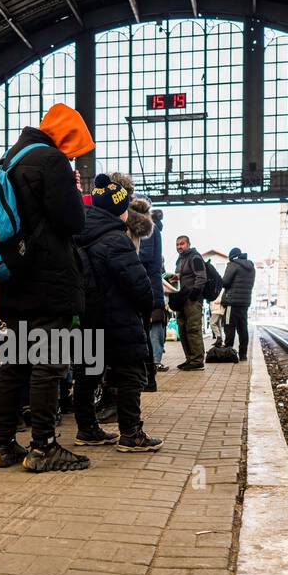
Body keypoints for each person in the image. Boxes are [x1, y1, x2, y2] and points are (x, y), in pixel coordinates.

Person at [0, 103, 94, 473]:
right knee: (49, 363)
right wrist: (76, 192)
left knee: (15, 363)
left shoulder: (10, 159)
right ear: (67, 135)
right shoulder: (52, 161)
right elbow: (72, 222)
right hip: (49, 281)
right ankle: (43, 447)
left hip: (15, 280)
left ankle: (3, 446)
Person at [72, 179, 162, 452]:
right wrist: (146, 308)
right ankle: (131, 434)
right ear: (120, 210)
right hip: (118, 319)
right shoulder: (116, 240)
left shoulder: (80, 236)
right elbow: (140, 286)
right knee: (130, 373)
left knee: (87, 374)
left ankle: (87, 429)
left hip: (88, 318)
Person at [137, 204, 167, 388]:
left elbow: (144, 256)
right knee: (144, 333)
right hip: (148, 286)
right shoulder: (150, 227)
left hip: (146, 286)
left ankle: (148, 378)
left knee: (144, 334)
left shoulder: (147, 227)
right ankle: (148, 378)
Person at [170, 235, 206, 369]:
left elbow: (201, 277)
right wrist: (177, 276)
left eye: (182, 244)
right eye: (177, 244)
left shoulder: (195, 257)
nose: (179, 246)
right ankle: (190, 359)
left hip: (192, 300)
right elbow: (187, 275)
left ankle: (197, 361)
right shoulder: (180, 260)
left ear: (188, 244)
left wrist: (193, 296)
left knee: (193, 329)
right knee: (183, 330)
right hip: (181, 299)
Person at [221, 247, 255, 359]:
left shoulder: (232, 265)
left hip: (232, 302)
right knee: (242, 328)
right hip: (245, 302)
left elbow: (225, 282)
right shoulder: (251, 267)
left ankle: (228, 352)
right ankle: (243, 354)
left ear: (232, 256)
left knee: (229, 327)